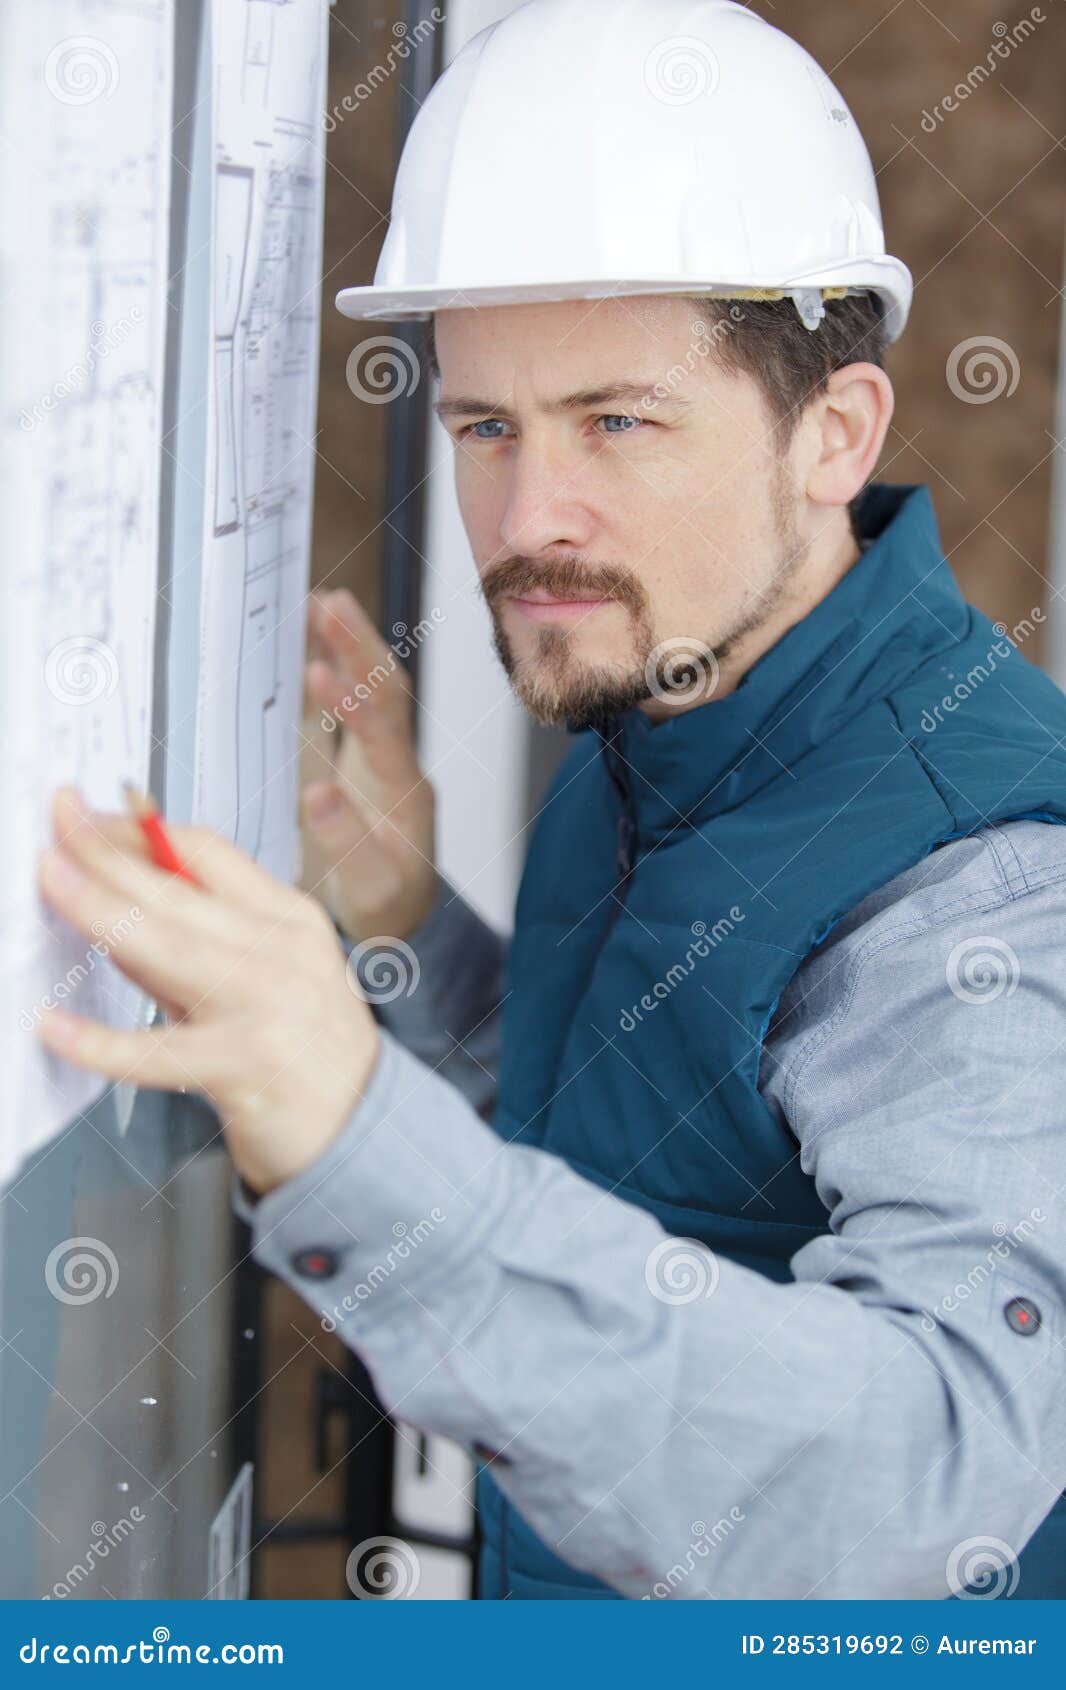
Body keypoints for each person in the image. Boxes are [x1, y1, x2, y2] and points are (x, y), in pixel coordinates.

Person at [36, 0, 1066, 1599]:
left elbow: (930, 1488)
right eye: (483, 426)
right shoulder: (667, 703)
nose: (527, 518)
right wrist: (416, 942)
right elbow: (668, 1136)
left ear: (831, 431)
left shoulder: (981, 887)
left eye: (618, 422)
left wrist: (361, 1140)